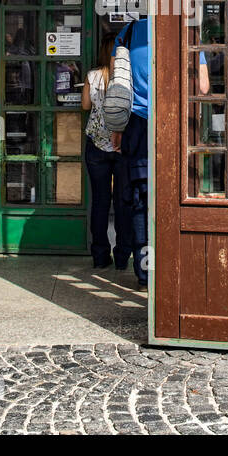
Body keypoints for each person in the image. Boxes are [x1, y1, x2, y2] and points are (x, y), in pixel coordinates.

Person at [82, 34, 129, 270]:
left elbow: (85, 106)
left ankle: (100, 255)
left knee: (100, 201)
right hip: (122, 146)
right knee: (122, 202)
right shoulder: (125, 78)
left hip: (97, 145)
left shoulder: (93, 75)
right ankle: (122, 256)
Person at [112, 17, 150, 287]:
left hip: (136, 126)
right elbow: (203, 87)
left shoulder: (128, 32)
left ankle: (144, 272)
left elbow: (119, 86)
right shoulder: (186, 30)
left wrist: (118, 128)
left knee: (138, 201)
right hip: (175, 125)